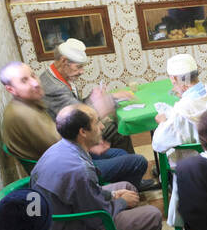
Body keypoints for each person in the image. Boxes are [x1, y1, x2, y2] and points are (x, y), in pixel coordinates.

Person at [30, 105, 163, 230]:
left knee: (128, 187)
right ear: (83, 132)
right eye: (97, 122)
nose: (102, 127)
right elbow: (97, 218)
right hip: (74, 229)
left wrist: (112, 194)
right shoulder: (80, 170)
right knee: (152, 215)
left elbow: (86, 193)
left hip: (65, 212)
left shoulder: (60, 148)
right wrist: (122, 202)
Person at [0, 61, 151, 188]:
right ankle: (114, 202)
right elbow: (58, 144)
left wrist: (89, 145)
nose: (35, 83)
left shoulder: (28, 103)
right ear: (11, 89)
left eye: (33, 75)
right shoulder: (24, 114)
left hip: (69, 158)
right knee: (138, 161)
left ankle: (119, 192)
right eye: (24, 81)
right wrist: (89, 144)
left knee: (121, 154)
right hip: (66, 172)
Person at [39, 38, 149, 171]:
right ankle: (129, 168)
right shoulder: (54, 87)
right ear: (63, 61)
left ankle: (127, 169)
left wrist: (97, 98)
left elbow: (77, 106)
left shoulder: (54, 76)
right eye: (78, 67)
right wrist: (106, 100)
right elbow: (79, 115)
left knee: (115, 128)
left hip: (75, 131)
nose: (81, 72)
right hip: (71, 140)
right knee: (116, 129)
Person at [151, 56, 207, 222]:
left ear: (174, 79)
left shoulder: (181, 111)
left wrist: (163, 122)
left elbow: (158, 144)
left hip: (193, 168)